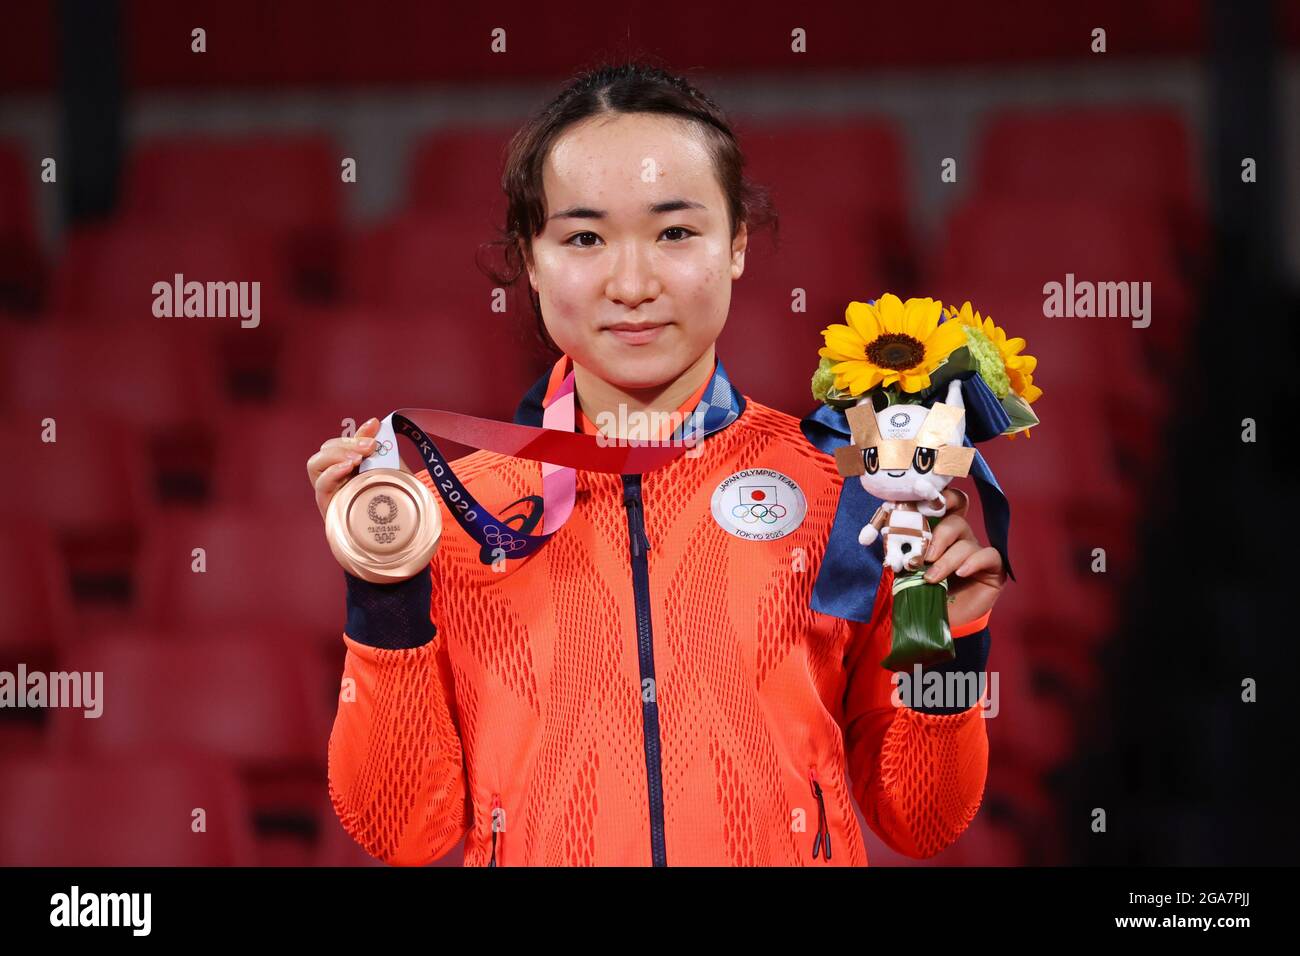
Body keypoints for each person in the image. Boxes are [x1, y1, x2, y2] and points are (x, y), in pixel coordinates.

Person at [306, 61, 1007, 866]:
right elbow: (399, 831)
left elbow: (925, 818)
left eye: (676, 232)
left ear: (736, 245)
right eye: (583, 238)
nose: (632, 283)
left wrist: (951, 644)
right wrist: (384, 595)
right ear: (530, 262)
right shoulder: (453, 514)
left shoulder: (843, 487)